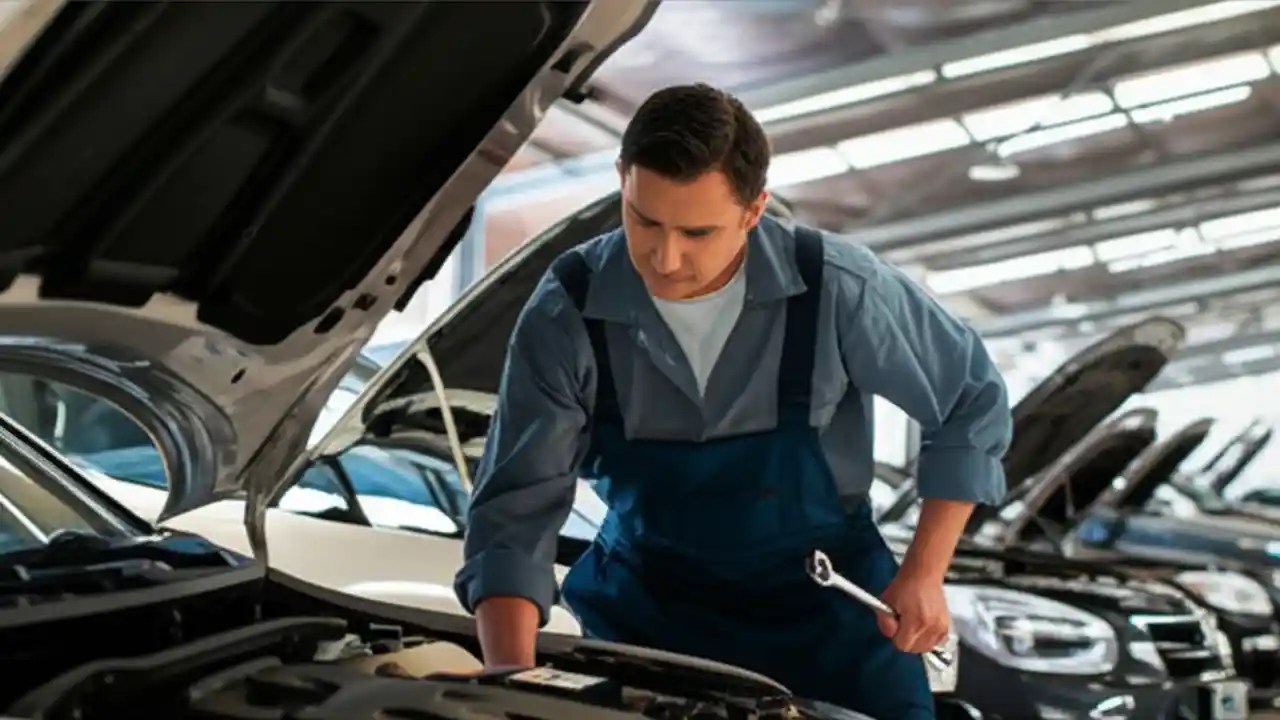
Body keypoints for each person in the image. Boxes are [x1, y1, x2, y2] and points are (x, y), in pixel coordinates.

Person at [453, 83, 1012, 719]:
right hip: (649, 617)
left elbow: (970, 398)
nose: (666, 258)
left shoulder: (838, 286)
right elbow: (515, 514)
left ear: (754, 211)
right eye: (644, 220)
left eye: (697, 231)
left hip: (831, 615)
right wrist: (513, 680)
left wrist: (924, 573)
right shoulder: (567, 311)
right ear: (621, 182)